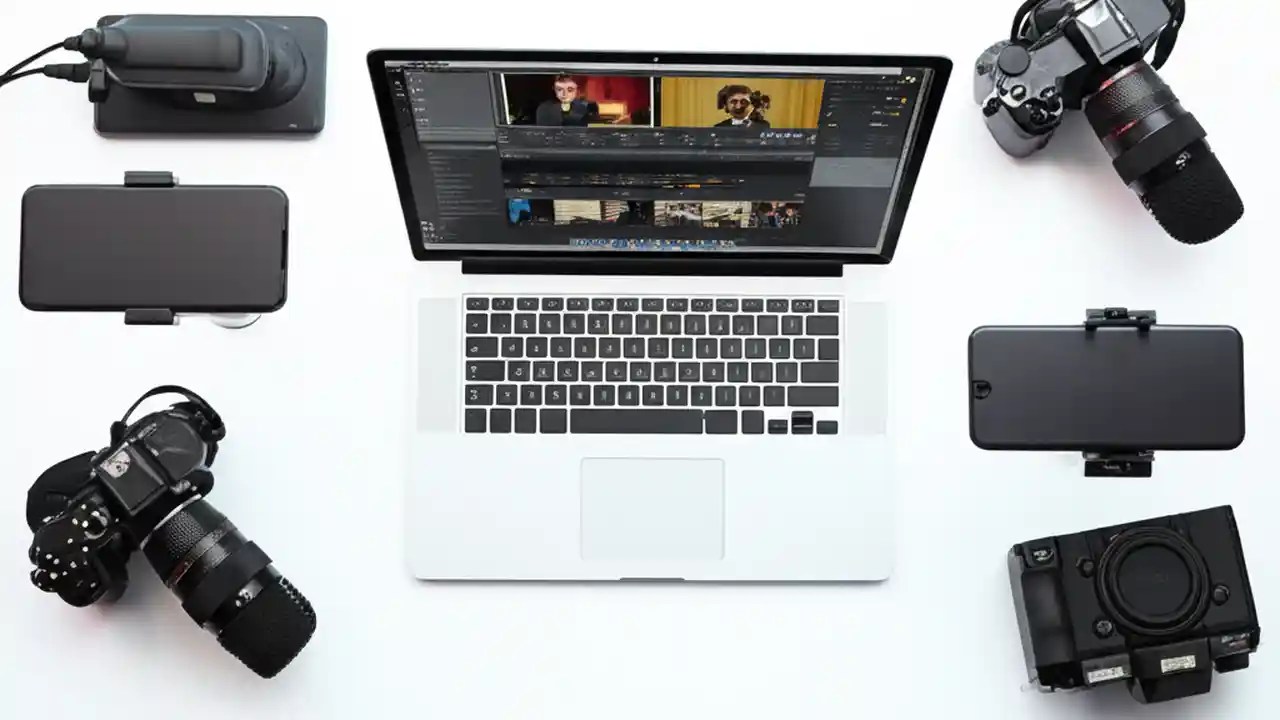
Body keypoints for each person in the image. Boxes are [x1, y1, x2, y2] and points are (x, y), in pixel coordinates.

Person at [535, 75, 599, 126]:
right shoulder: (544, 108)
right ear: (554, 89)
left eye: (570, 90)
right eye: (559, 89)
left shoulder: (588, 107)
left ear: (578, 90)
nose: (564, 94)